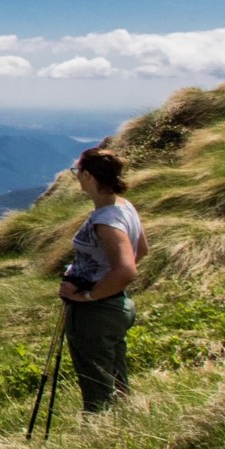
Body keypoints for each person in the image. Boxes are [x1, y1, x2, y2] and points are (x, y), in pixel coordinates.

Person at [58, 147, 148, 413]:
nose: (76, 176)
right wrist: (99, 276)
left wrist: (88, 294)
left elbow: (126, 269)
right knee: (117, 378)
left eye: (77, 171)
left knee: (96, 387)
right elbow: (140, 250)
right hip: (114, 306)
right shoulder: (123, 206)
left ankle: (98, 437)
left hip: (95, 313)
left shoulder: (106, 221)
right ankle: (125, 424)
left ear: (87, 175)